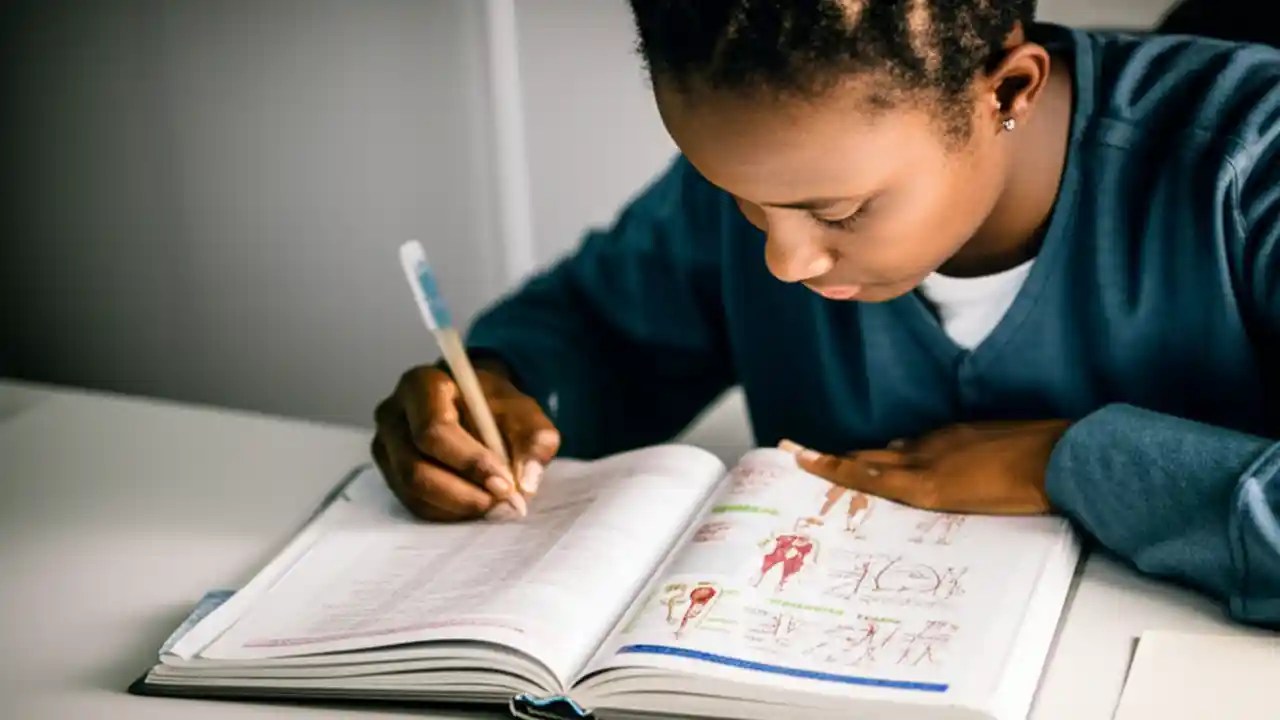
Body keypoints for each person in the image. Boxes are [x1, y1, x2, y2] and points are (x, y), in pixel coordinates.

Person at [371, 1, 1280, 629]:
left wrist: (1070, 463)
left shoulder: (1251, 160)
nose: (783, 259)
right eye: (738, 199)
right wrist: (496, 391)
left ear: (1007, 91)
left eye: (839, 212)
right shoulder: (777, 175)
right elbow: (595, 330)